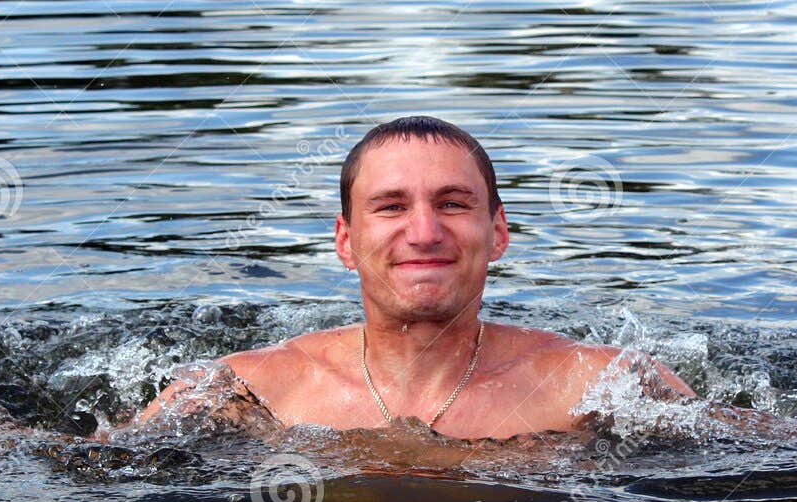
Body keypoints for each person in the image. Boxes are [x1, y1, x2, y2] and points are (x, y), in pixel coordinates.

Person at [129, 116, 695, 441]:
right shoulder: (249, 391)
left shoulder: (598, 387)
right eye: (391, 207)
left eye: (452, 203)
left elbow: (765, 467)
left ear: (497, 231)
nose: (424, 232)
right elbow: (86, 468)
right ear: (345, 240)